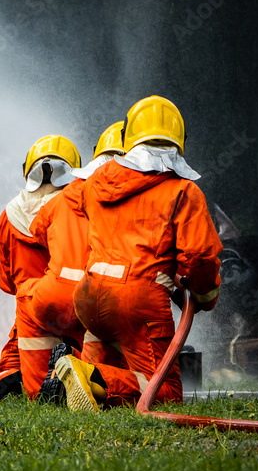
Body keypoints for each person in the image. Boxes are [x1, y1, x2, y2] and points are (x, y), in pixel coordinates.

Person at [54, 96, 222, 411]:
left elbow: (75, 208)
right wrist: (204, 297)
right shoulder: (184, 191)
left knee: (102, 364)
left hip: (89, 298)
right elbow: (200, 257)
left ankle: (81, 381)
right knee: (166, 390)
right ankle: (93, 376)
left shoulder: (95, 183)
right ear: (180, 140)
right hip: (137, 304)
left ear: (128, 138)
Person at [20, 122, 128, 401]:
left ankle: (38, 391)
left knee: (25, 299)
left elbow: (37, 233)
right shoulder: (142, 194)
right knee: (105, 337)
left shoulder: (69, 195)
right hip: (106, 294)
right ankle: (90, 378)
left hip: (56, 294)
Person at [0, 135, 82, 400]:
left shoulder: (8, 216)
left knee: (16, 347)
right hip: (78, 310)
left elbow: (6, 283)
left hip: (30, 311)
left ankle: (12, 382)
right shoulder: (78, 208)